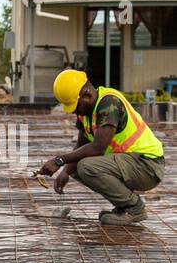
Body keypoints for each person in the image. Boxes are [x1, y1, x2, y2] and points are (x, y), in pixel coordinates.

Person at [37, 69, 165, 225]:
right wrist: (65, 172)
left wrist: (58, 160)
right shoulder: (85, 113)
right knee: (76, 167)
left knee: (86, 166)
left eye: (75, 106)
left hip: (147, 165)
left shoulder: (109, 104)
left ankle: (134, 208)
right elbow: (81, 145)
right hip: (130, 163)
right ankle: (123, 205)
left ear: (87, 95)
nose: (74, 111)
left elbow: (98, 147)